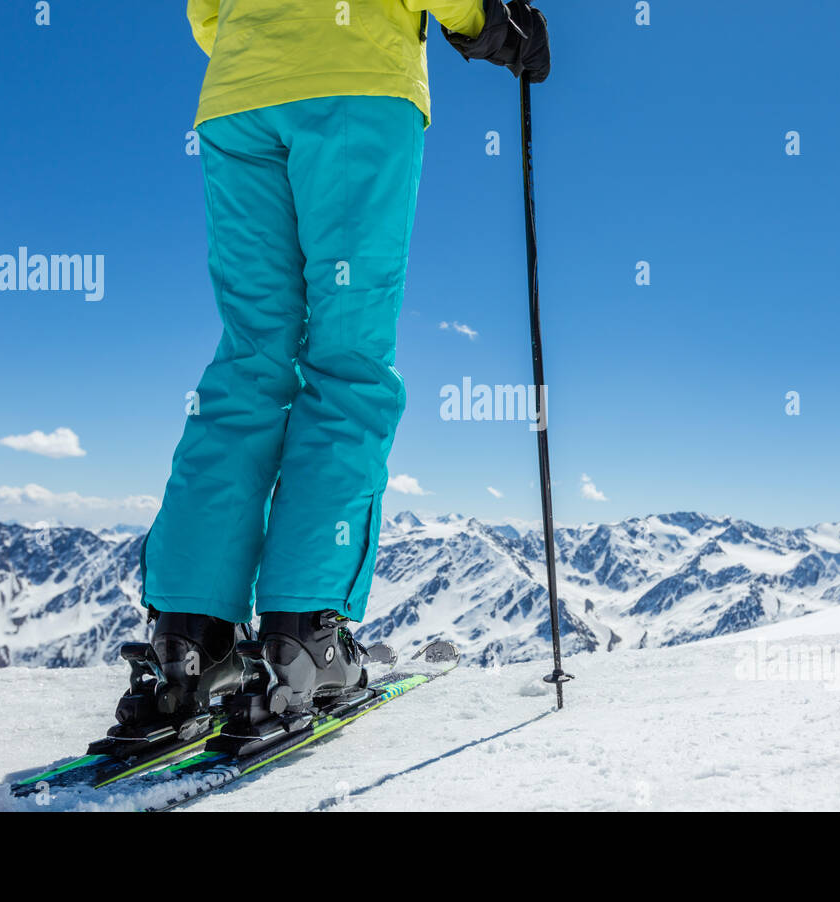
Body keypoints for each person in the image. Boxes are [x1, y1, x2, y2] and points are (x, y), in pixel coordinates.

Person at [122, 0, 551, 732]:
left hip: (239, 91)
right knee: (348, 362)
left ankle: (189, 646)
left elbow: (203, 13)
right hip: (353, 83)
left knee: (251, 357)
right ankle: (301, 641)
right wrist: (485, 23)